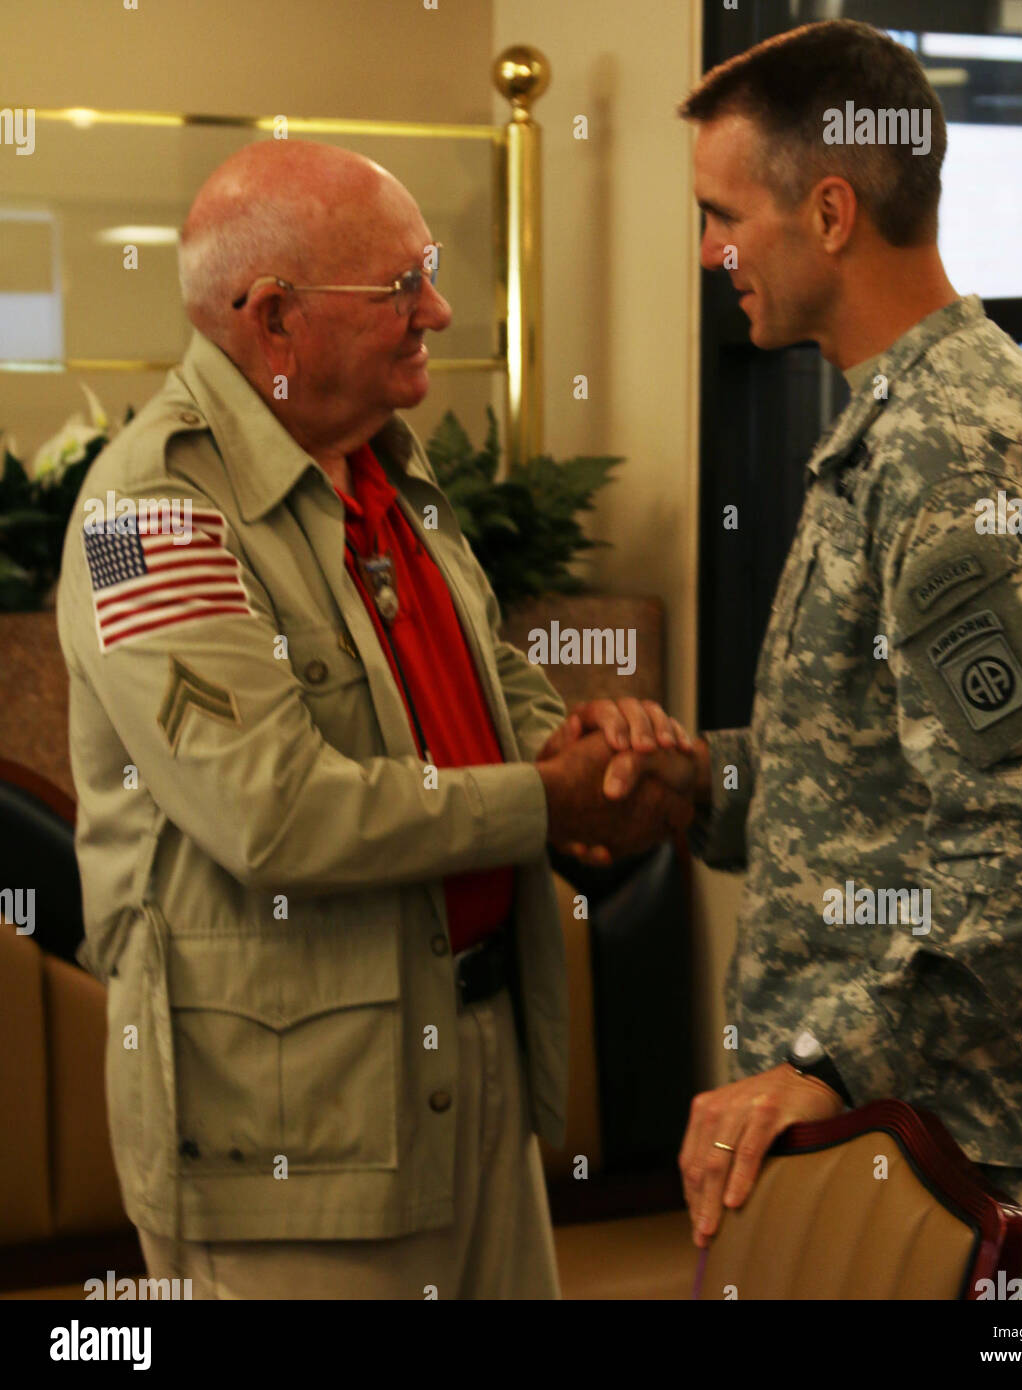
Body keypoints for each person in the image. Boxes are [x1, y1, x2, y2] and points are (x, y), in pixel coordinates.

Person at [56, 138, 694, 1300]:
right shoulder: (146, 514)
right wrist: (538, 798)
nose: (436, 310)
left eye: (430, 274)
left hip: (471, 1070)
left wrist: (589, 758)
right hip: (296, 1141)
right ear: (273, 317)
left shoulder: (387, 476)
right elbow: (274, 812)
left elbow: (493, 691)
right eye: (399, 287)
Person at [662, 19, 1022, 1292]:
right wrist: (690, 785)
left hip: (963, 1155)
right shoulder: (887, 425)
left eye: (723, 214)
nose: (710, 251)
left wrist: (826, 1064)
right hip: (892, 1134)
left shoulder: (959, 459)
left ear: (829, 211)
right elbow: (860, 779)